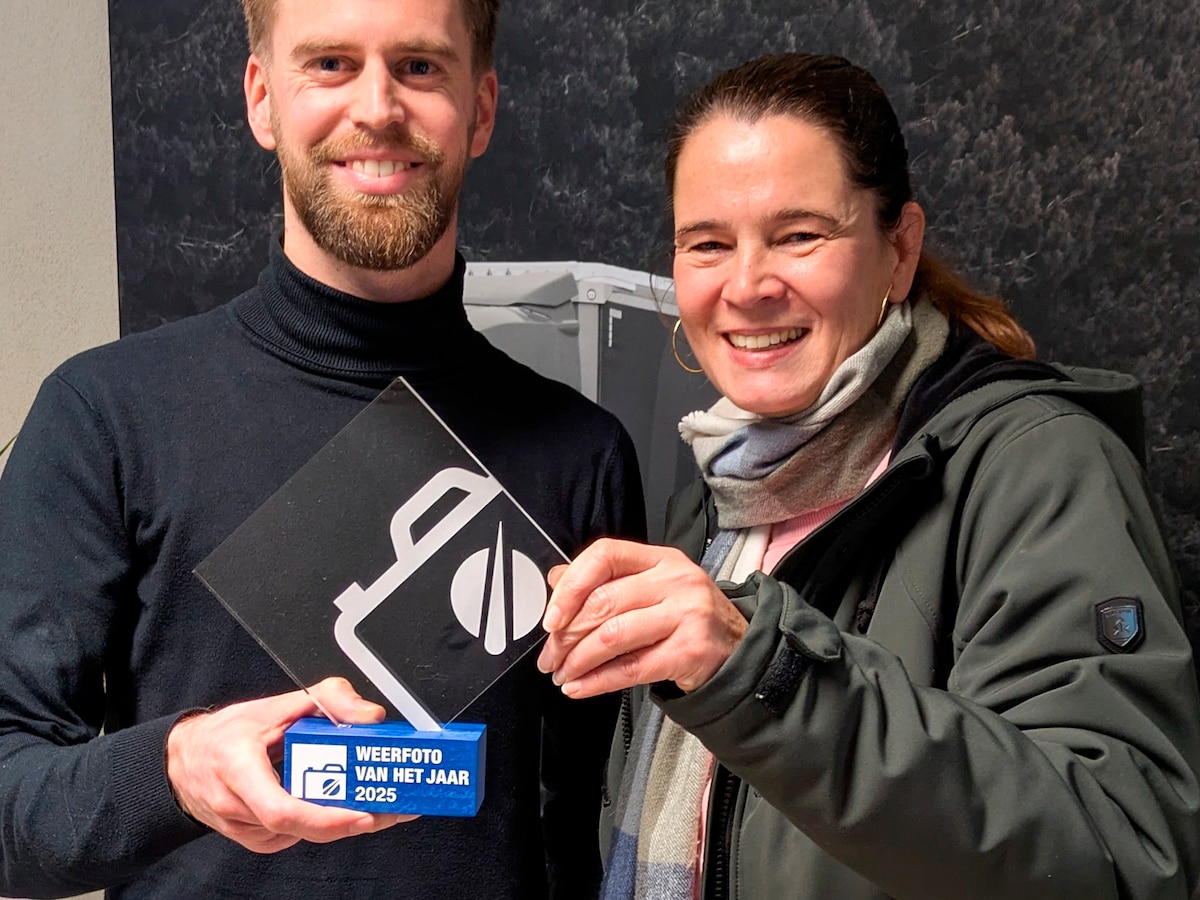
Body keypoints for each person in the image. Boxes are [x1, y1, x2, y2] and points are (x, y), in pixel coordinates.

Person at [0, 0, 644, 897]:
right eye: (331, 64)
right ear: (263, 99)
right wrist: (177, 768)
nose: (377, 108)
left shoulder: (581, 454)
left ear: (482, 109)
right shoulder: (104, 416)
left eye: (420, 67)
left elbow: (584, 829)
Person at [537, 53, 1200, 900]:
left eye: (799, 235)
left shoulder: (1039, 471)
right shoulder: (709, 507)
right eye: (708, 244)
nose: (747, 285)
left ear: (899, 250)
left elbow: (1125, 851)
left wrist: (763, 672)